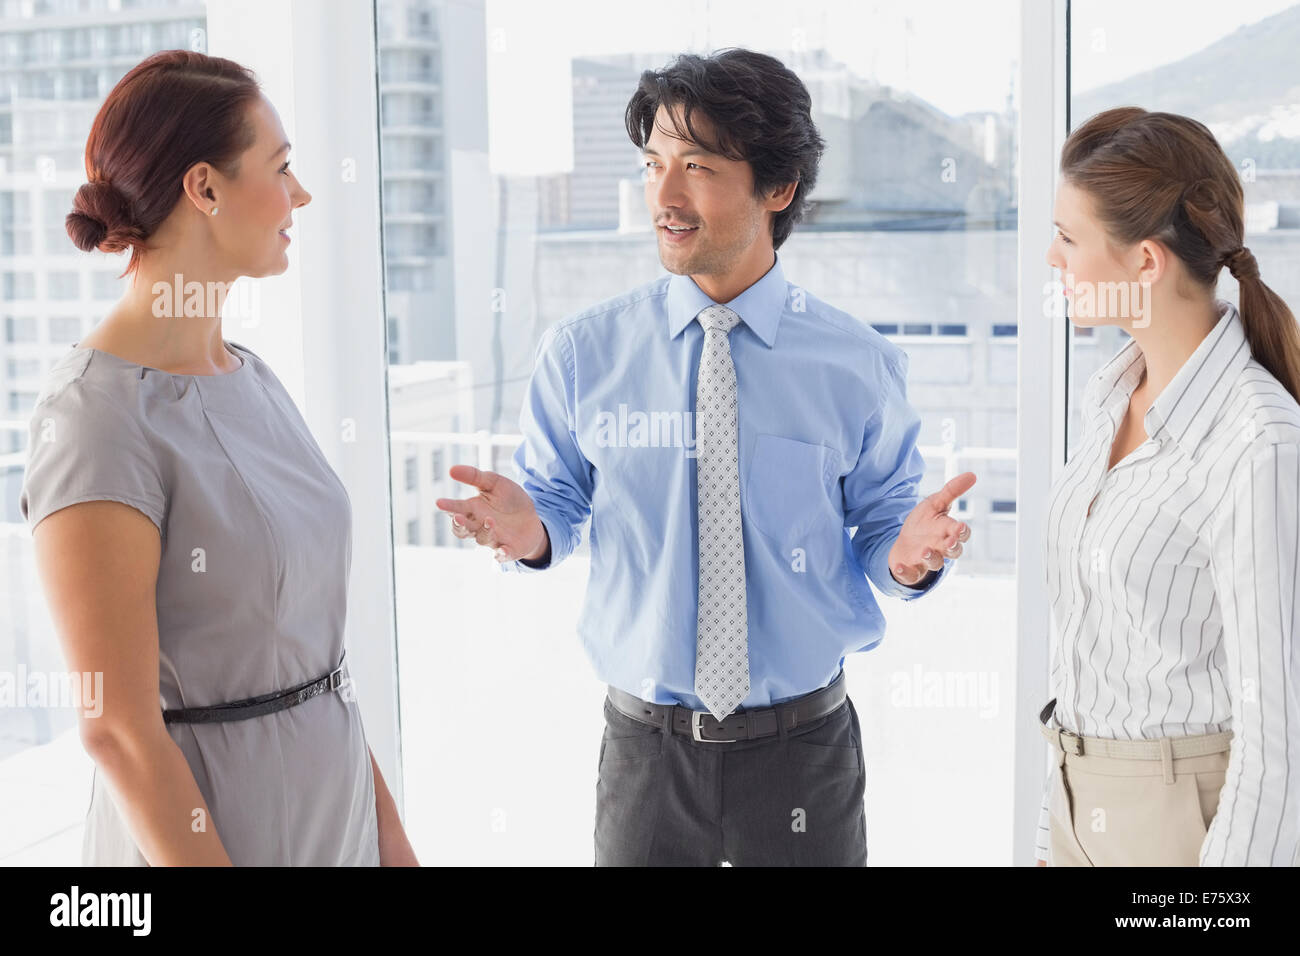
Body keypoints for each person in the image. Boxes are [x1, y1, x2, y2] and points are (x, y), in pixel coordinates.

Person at [436, 49, 974, 866]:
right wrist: (530, 528)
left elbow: (881, 532)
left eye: (697, 166)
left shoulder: (857, 365)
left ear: (778, 188)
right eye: (653, 164)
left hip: (804, 753)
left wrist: (905, 557)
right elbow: (557, 503)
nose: (665, 195)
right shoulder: (584, 354)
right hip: (647, 756)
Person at [20, 50, 415, 866]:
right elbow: (118, 729)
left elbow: (318, 670)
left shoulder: (255, 380)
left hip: (334, 820)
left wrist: (393, 848)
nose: (299, 194)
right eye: (281, 168)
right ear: (203, 188)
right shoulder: (95, 418)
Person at [1036, 107, 1300, 866]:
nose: (1053, 259)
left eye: (1068, 237)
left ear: (1145, 263)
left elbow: (1277, 730)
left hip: (1183, 827)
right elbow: (1081, 651)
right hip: (1078, 801)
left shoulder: (1259, 441)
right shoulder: (1108, 398)